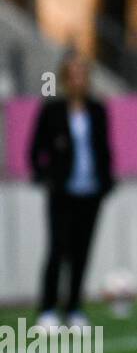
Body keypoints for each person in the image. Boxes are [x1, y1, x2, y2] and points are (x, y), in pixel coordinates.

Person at [28, 51, 115, 328]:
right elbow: (35, 150)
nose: (78, 79)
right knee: (58, 248)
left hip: (91, 192)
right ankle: (48, 308)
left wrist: (106, 181)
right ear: (65, 78)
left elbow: (104, 149)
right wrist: (45, 177)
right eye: (73, 73)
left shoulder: (97, 110)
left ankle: (75, 307)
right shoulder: (52, 111)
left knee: (82, 250)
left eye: (82, 73)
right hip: (62, 193)